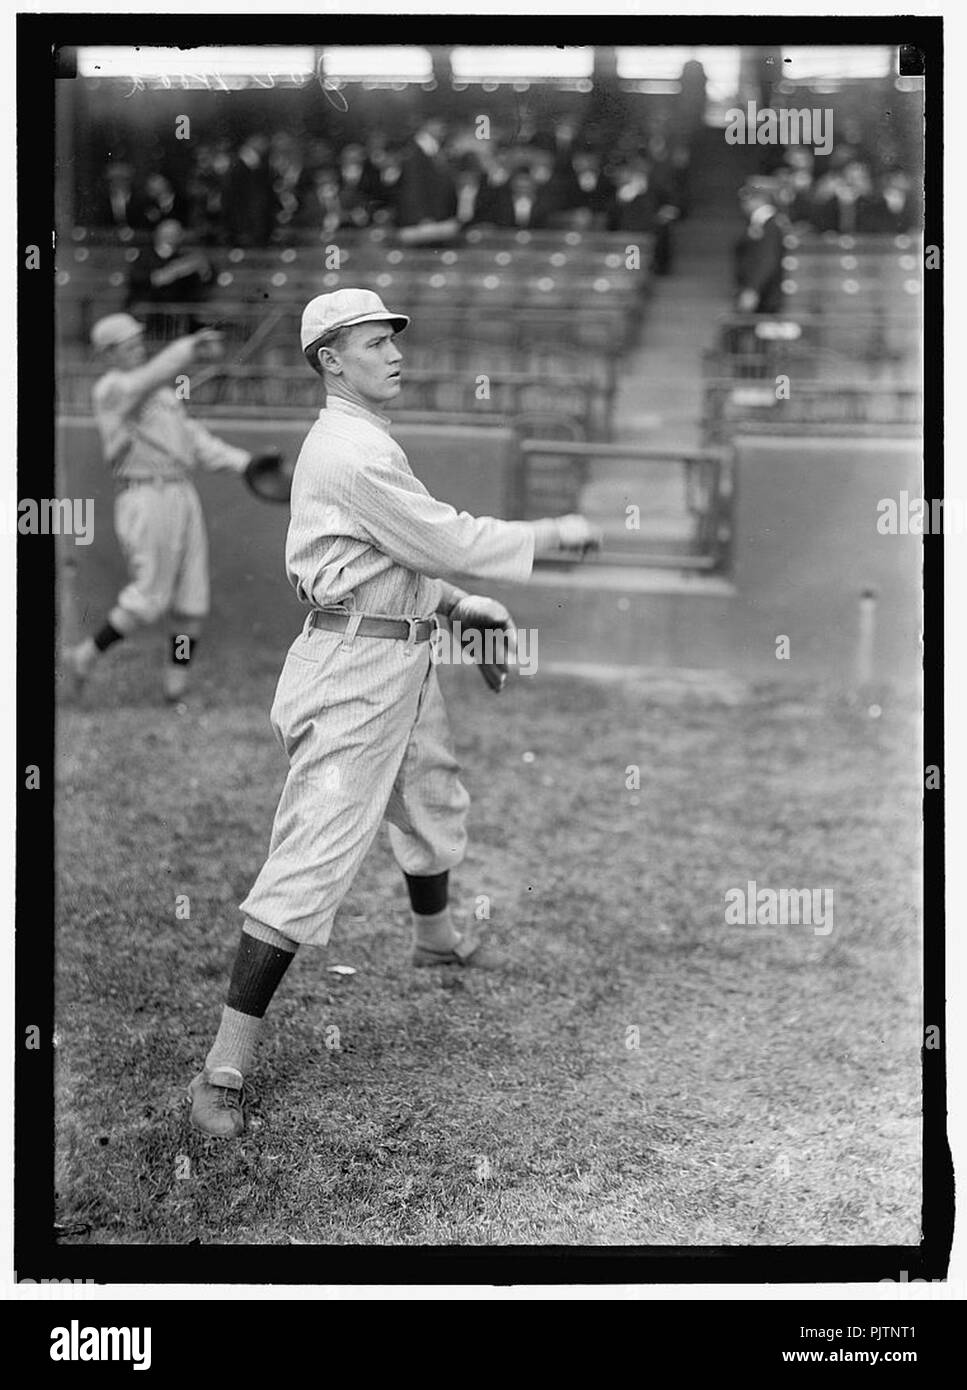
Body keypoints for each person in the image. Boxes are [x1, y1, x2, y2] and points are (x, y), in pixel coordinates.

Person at [188, 287, 600, 1138]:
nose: (393, 354)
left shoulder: (364, 438)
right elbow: (444, 538)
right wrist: (555, 531)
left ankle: (436, 939)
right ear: (330, 361)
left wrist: (457, 607)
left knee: (431, 796)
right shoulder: (347, 449)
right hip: (351, 666)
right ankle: (222, 1069)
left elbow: (398, 558)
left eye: (392, 341)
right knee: (315, 850)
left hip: (398, 648)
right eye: (372, 344)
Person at [64, 315, 264, 704]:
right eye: (127, 344)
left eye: (139, 340)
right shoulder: (112, 389)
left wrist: (245, 463)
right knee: (149, 598)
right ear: (108, 354)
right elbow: (149, 377)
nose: (138, 348)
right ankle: (86, 655)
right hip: (144, 496)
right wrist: (189, 347)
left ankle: (176, 687)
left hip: (180, 494)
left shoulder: (161, 393)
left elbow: (194, 441)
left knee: (191, 601)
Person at [734, 180, 785, 315]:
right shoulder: (759, 224)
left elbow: (767, 259)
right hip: (759, 292)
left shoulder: (770, 225)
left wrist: (753, 289)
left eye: (749, 200)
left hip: (765, 295)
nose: (744, 205)